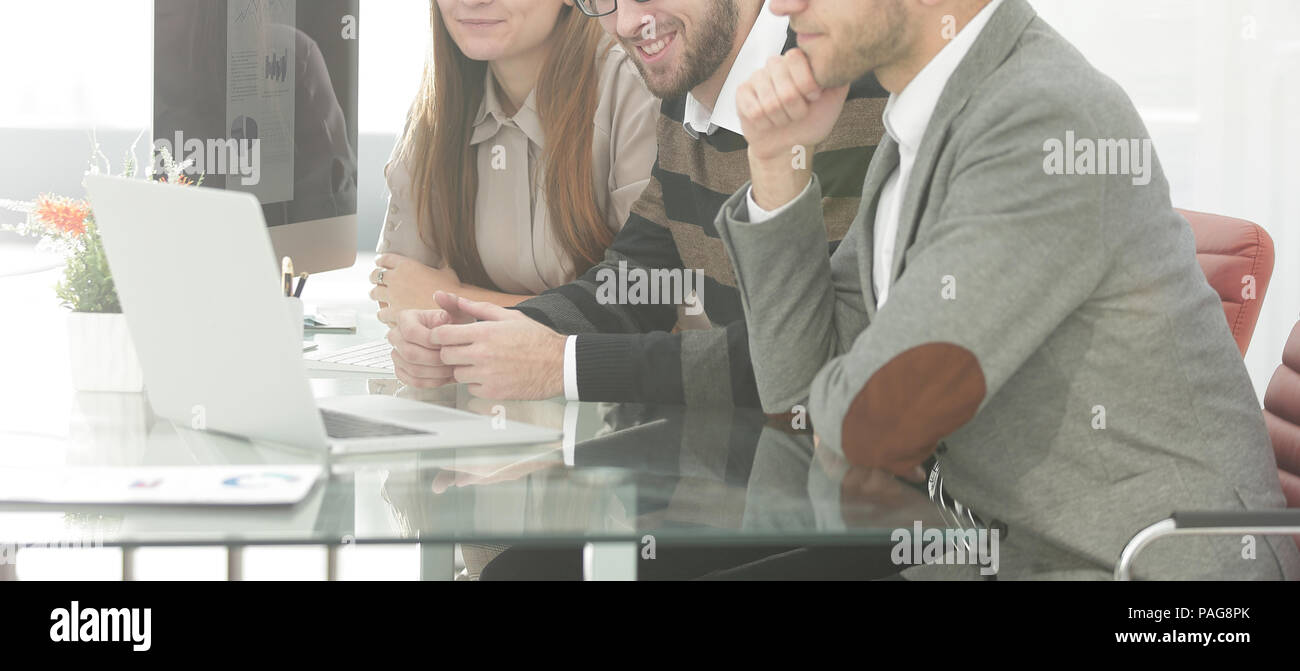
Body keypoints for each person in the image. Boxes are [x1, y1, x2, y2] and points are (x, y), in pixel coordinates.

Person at [713, 0, 1300, 579]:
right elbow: (798, 393)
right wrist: (776, 162)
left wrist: (849, 410)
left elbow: (874, 419)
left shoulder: (1044, 119)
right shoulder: (923, 126)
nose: (781, 5)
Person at [387, 0, 889, 405]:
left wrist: (564, 365)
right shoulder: (685, 91)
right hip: (751, 475)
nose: (627, 22)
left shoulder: (840, 86)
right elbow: (636, 280)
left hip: (848, 499)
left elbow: (808, 356)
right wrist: (487, 335)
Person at [371, 0, 658, 322]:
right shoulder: (437, 109)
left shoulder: (639, 85)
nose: (471, 1)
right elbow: (400, 294)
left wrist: (462, 302)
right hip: (472, 370)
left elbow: (664, 310)